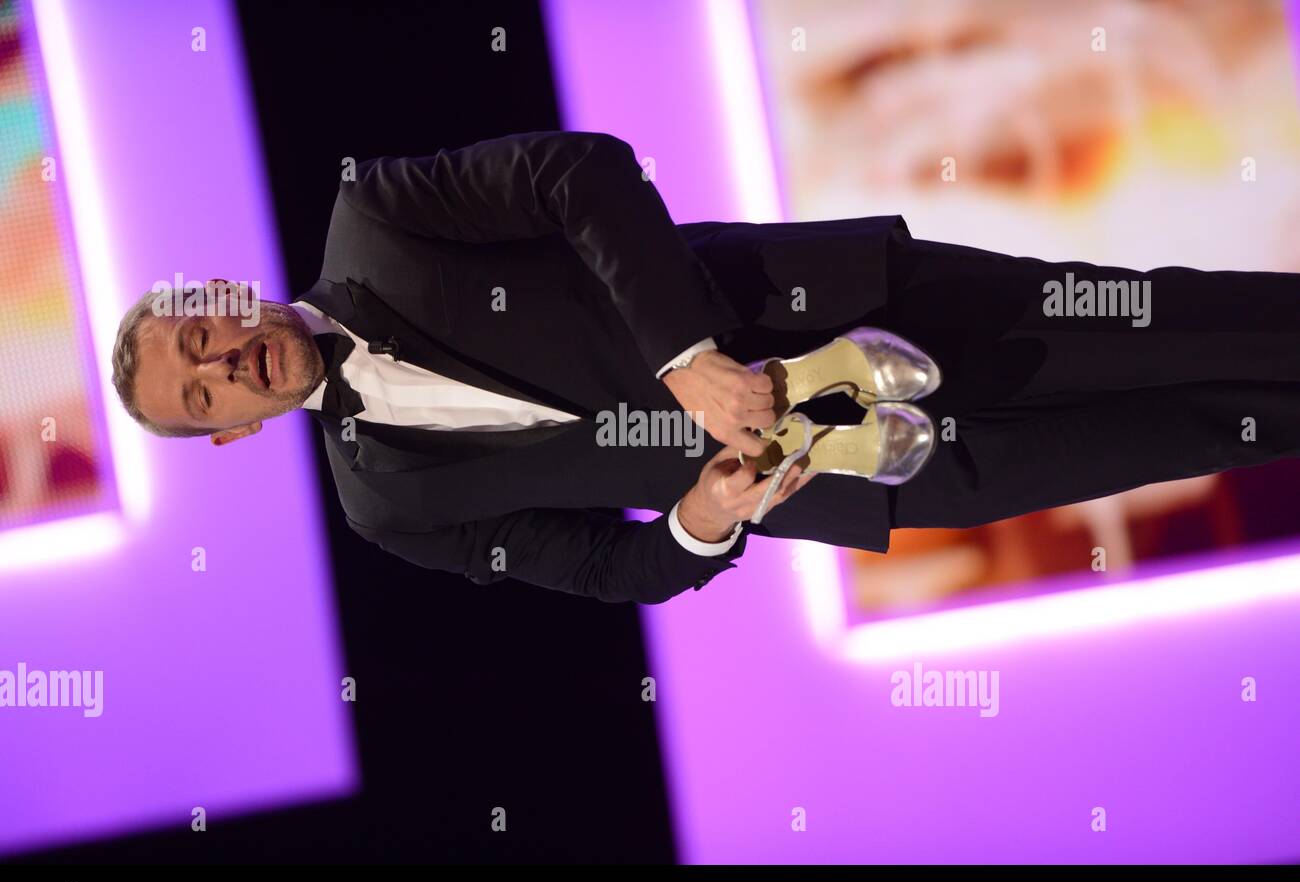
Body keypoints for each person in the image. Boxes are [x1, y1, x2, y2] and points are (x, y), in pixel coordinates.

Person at [109, 130, 1300, 602]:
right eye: (201, 390)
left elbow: (577, 174)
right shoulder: (385, 504)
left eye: (198, 334)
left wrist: (683, 355)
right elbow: (607, 563)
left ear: (216, 293)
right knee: (1186, 433)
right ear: (227, 433)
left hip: (843, 308)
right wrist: (695, 517)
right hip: (855, 476)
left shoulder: (377, 217)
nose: (224, 361)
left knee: (1168, 325)